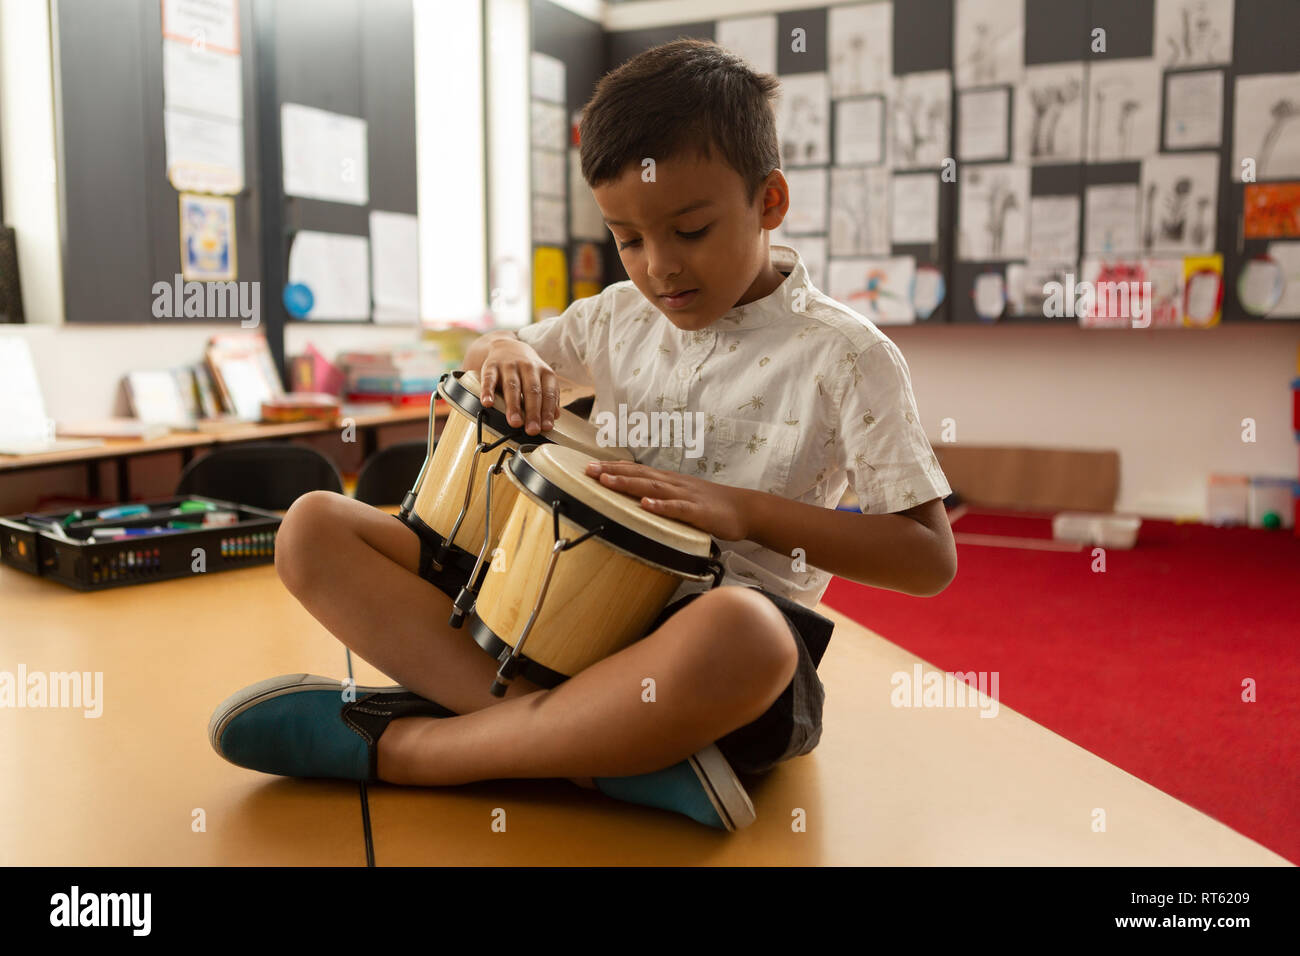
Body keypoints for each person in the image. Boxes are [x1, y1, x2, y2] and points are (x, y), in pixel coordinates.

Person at [209, 38, 957, 832]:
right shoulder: (615, 318)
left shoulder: (846, 354)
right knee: (312, 528)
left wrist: (740, 511)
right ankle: (611, 754)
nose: (660, 267)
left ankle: (413, 750)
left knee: (750, 635)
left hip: (702, 660)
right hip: (554, 616)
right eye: (628, 240)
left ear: (769, 201)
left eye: (692, 229)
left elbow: (928, 558)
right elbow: (495, 349)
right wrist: (502, 351)